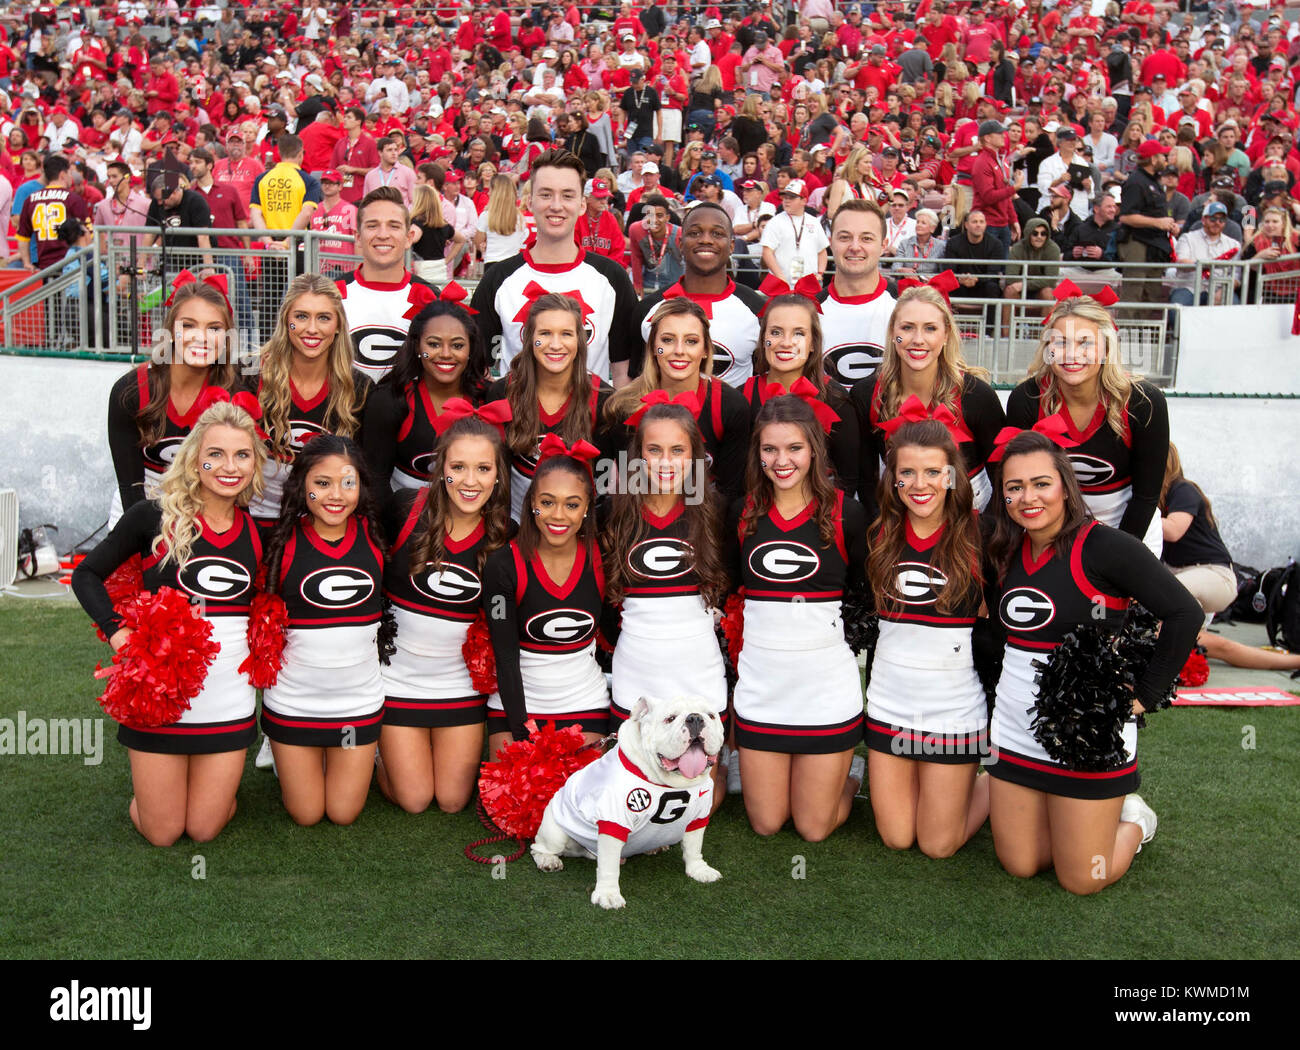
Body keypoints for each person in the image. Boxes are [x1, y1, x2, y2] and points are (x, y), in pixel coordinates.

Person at [985, 428, 1202, 894]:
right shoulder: (1004, 547)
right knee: (1022, 863)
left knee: (1082, 878)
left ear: (1065, 485)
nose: (1028, 498)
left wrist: (1144, 696)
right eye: (1014, 487)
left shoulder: (1106, 546)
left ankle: (1136, 821)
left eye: (1041, 483)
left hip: (1088, 733)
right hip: (1014, 724)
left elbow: (1185, 613)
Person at [72, 399, 267, 845]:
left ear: (255, 464)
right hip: (160, 696)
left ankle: (204, 792)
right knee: (162, 833)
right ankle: (160, 794)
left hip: (227, 698)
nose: (228, 466)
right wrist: (117, 632)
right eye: (215, 454)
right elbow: (85, 575)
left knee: (202, 829)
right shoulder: (152, 517)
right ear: (195, 458)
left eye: (242, 455)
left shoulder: (255, 531)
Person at [729, 395, 868, 842]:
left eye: (794, 449)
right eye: (770, 449)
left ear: (814, 451)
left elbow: (864, 592)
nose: (781, 460)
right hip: (763, 685)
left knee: (813, 829)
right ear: (758, 453)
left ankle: (851, 775)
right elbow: (734, 589)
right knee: (767, 824)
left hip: (824, 687)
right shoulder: (742, 512)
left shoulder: (847, 512)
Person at [865, 417, 990, 857]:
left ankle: (999, 780)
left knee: (938, 846)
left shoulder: (982, 534)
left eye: (933, 472)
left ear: (952, 475)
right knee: (898, 838)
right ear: (893, 478)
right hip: (889, 703)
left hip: (954, 709)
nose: (921, 484)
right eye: (908, 473)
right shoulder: (877, 534)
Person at [377, 414, 512, 814]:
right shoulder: (404, 510)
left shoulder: (508, 535)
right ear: (440, 470)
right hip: (398, 680)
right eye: (458, 467)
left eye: (483, 469)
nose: (470, 481)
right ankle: (374, 752)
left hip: (461, 685)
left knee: (453, 801)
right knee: (415, 800)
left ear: (498, 476)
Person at [599, 400, 729, 804]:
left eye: (678, 451)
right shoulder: (614, 512)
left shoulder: (715, 511)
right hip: (638, 668)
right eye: (654, 450)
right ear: (637, 456)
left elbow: (731, 587)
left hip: (699, 669)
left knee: (708, 796)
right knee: (634, 792)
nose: (665, 462)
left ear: (695, 457)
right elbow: (602, 597)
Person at [260, 434, 386, 826]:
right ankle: (285, 751)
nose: (336, 495)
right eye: (322, 483)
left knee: (344, 813)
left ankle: (359, 754)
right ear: (302, 486)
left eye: (348, 483)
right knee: (307, 814)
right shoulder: (281, 542)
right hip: (294, 704)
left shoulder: (377, 536)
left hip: (357, 704)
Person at [1005, 291, 1169, 556]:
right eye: (1061, 343)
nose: (1072, 354)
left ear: (1106, 348)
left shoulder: (1143, 402)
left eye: (1085, 343)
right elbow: (1015, 485)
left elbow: (1146, 497)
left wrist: (1117, 556)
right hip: (1051, 529)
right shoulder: (1027, 399)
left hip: (1129, 527)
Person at [482, 439, 609, 760]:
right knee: (516, 804)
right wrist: (524, 732)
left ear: (586, 508)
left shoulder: (601, 558)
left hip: (584, 701)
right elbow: (506, 658)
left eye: (572, 504)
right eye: (547, 502)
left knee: (580, 802)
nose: (558, 515)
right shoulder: (503, 564)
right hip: (518, 704)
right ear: (531, 505)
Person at [471, 150, 638, 385]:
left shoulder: (612, 278)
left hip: (591, 419)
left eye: (567, 196)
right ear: (529, 202)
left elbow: (623, 373)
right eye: (546, 194)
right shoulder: (498, 278)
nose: (556, 206)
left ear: (581, 205)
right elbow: (479, 370)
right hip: (519, 419)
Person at [852, 286, 1005, 516]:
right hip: (898, 514)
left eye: (930, 329)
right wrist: (882, 527)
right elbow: (866, 479)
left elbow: (1003, 478)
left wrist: (986, 532)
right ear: (893, 333)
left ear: (946, 335)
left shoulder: (976, 396)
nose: (918, 339)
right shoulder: (867, 395)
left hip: (969, 516)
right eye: (907, 328)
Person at [247, 273, 373, 524]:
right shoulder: (252, 377)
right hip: (254, 515)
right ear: (286, 321)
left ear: (338, 325)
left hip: (320, 524)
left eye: (324, 318)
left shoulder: (360, 388)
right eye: (301, 316)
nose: (312, 329)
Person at [605, 297, 750, 502]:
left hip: (707, 523)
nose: (679, 350)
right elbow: (628, 489)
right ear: (654, 347)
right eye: (667, 340)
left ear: (706, 350)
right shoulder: (625, 406)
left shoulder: (730, 407)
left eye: (691, 341)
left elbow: (731, 495)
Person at [489, 293, 611, 522]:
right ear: (529, 339)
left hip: (573, 527)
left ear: (579, 340)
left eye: (566, 334)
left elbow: (608, 482)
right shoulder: (504, 392)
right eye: (545, 334)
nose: (555, 345)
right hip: (512, 523)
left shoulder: (602, 399)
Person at [364, 300, 494, 492]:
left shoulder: (489, 398)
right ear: (417, 346)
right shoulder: (390, 400)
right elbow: (375, 481)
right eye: (434, 344)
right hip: (404, 516)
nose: (446, 354)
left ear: (470, 349)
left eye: (457, 346)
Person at [630, 201, 764, 387]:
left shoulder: (757, 309)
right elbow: (636, 378)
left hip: (733, 416)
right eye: (694, 233)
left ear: (732, 245)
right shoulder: (649, 308)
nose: (706, 240)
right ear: (681, 243)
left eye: (717, 233)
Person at [743, 292, 860, 496]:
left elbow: (849, 477)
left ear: (813, 343)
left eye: (798, 333)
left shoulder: (834, 398)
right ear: (763, 340)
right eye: (776, 333)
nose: (786, 343)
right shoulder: (742, 397)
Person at [336, 186, 438, 382]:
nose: (383, 234)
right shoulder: (332, 294)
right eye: (372, 225)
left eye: (394, 226)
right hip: (343, 410)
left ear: (409, 238)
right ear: (358, 237)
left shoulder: (431, 298)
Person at [819, 198, 896, 390]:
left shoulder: (905, 306)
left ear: (884, 245)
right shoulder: (807, 310)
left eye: (866, 238)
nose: (855, 246)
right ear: (831, 242)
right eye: (844, 237)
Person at [1118, 140, 1177, 304]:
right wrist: (1159, 223)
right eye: (1162, 156)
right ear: (1153, 159)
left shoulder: (1153, 181)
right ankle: (1126, 329)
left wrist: (1168, 225)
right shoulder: (1136, 182)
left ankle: (1145, 330)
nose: (1165, 160)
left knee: (1151, 293)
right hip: (1137, 242)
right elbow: (1126, 217)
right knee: (1134, 292)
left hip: (1154, 243)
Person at [1170, 201, 1242, 306]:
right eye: (1213, 219)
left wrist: (1224, 291)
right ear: (1203, 220)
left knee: (1234, 310)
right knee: (1175, 314)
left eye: (1221, 220)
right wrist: (1205, 265)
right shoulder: (1187, 238)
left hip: (1219, 288)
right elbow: (1180, 262)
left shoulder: (1234, 244)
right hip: (1189, 287)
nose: (1217, 222)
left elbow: (1236, 275)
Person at [760, 178, 829, 287]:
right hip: (782, 284)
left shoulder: (814, 222)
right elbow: (767, 251)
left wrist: (820, 273)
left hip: (808, 283)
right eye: (785, 197)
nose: (787, 200)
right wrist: (780, 276)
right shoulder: (775, 222)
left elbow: (822, 251)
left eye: (792, 197)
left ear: (804, 201)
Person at [971, 119, 1023, 251]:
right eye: (999, 133)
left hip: (1002, 223)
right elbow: (988, 196)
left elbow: (1005, 195)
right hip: (987, 223)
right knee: (990, 268)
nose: (1004, 136)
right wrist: (1015, 188)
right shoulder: (982, 162)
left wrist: (1013, 219)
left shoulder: (1001, 160)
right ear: (988, 138)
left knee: (1002, 268)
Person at [627, 194, 684, 296]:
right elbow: (636, 258)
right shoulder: (636, 230)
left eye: (659, 215)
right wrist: (637, 284)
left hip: (675, 286)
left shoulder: (679, 234)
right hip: (649, 284)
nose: (654, 220)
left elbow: (688, 263)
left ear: (667, 218)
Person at [474, 173, 528, 272]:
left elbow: (478, 242)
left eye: (490, 190)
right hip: (514, 265)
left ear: (496, 193)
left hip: (492, 264)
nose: (488, 193)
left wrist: (484, 244)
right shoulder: (520, 217)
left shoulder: (486, 215)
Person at [409, 183, 461, 284]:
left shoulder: (418, 223)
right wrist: (447, 260)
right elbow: (461, 240)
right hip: (440, 269)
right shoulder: (443, 224)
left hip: (422, 271)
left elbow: (412, 238)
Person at [330, 106, 381, 207]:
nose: (345, 120)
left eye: (349, 117)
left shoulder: (369, 143)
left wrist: (353, 170)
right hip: (341, 195)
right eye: (345, 117)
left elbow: (376, 170)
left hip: (361, 196)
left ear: (358, 121)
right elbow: (332, 168)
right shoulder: (340, 143)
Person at [362, 135, 417, 209]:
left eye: (395, 150)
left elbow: (414, 201)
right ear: (380, 153)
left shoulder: (408, 173)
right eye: (389, 150)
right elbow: (366, 203)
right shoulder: (370, 175)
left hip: (399, 218)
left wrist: (405, 215)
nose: (394, 153)